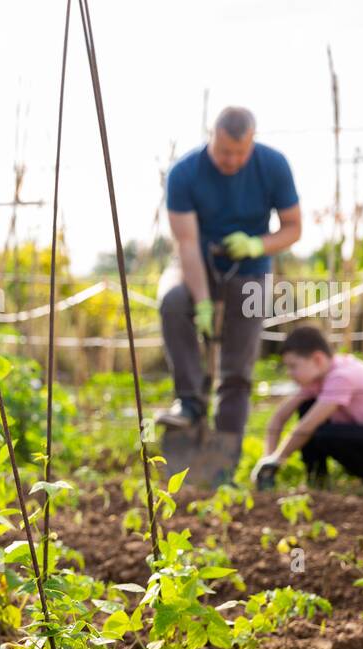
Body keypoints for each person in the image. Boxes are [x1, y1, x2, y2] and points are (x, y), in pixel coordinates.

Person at [155, 106, 302, 437]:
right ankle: (189, 404)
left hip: (250, 268)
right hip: (196, 264)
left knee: (240, 353)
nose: (232, 160)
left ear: (252, 142)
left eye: (240, 152)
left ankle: (227, 436)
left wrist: (257, 245)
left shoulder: (274, 166)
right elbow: (187, 244)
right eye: (224, 151)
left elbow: (293, 228)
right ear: (211, 138)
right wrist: (203, 301)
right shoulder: (184, 173)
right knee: (173, 301)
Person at [252, 325, 363, 488]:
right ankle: (317, 481)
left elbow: (307, 426)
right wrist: (267, 458)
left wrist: (277, 459)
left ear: (317, 359)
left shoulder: (342, 377)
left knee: (320, 432)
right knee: (307, 408)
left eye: (293, 366)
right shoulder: (319, 378)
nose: (290, 373)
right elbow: (279, 417)